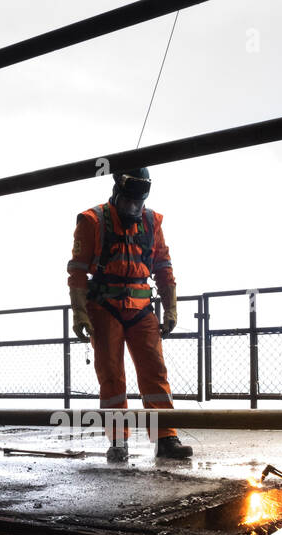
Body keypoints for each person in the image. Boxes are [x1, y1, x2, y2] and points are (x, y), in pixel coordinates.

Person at [67, 167, 192, 462]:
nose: (133, 209)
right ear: (117, 194)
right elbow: (77, 272)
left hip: (141, 309)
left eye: (138, 204)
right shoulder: (91, 220)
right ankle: (118, 442)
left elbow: (163, 266)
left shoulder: (151, 222)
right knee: (111, 375)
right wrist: (80, 313)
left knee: (155, 372)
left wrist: (171, 306)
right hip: (104, 307)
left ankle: (166, 438)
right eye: (128, 203)